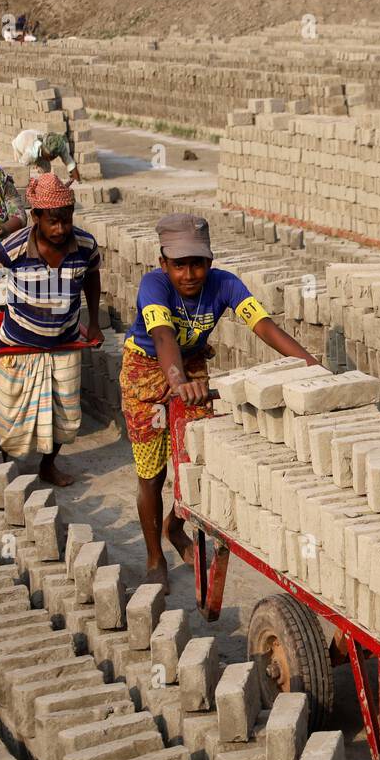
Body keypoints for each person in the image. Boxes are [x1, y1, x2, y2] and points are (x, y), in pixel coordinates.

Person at [121, 213, 318, 593]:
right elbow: (162, 337)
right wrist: (176, 382)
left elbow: (264, 326)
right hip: (145, 369)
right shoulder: (153, 285)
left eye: (198, 263)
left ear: (210, 261)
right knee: (151, 471)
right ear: (164, 263)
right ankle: (153, 557)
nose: (190, 274)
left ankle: (175, 526)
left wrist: (315, 368)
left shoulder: (225, 284)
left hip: (190, 365)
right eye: (180, 265)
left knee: (196, 460)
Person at [0, 174, 102, 487]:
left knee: (62, 413)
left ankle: (48, 465)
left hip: (65, 344)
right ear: (36, 216)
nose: (60, 229)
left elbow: (92, 278)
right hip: (19, 345)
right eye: (53, 222)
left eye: (66, 221)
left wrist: (93, 322)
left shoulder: (84, 245)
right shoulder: (12, 248)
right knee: (7, 414)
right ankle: (0, 463)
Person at [12, 129, 80, 183]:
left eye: (51, 157)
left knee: (46, 170)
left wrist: (78, 182)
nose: (49, 159)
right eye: (47, 156)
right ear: (42, 148)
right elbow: (21, 169)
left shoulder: (60, 145)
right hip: (19, 145)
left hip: (34, 138)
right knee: (24, 177)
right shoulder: (31, 153)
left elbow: (70, 163)